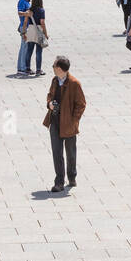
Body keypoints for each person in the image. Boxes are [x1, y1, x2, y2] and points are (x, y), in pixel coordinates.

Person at [43, 55, 86, 193]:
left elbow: (81, 104)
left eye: (54, 66)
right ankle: (59, 181)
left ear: (60, 69)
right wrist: (49, 104)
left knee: (70, 153)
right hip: (55, 121)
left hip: (69, 124)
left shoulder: (74, 83)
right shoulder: (55, 81)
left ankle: (72, 176)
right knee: (57, 152)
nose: (53, 69)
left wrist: (74, 121)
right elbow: (50, 94)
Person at [24, 0, 48, 75]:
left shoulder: (29, 10)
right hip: (38, 31)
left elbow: (25, 21)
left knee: (29, 51)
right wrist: (45, 33)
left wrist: (24, 32)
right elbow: (42, 22)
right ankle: (38, 70)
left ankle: (27, 69)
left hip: (30, 30)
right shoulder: (41, 10)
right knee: (39, 51)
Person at [15, 0, 34, 76]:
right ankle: (21, 68)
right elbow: (19, 12)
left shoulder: (27, 1)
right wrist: (26, 13)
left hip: (27, 26)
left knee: (25, 47)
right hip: (24, 27)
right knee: (24, 48)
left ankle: (23, 67)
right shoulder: (22, 1)